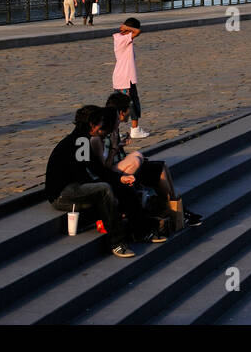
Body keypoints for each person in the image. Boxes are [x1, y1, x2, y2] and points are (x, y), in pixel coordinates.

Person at [44, 105, 135, 258]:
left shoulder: (81, 139)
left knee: (109, 188)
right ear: (92, 124)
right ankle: (117, 242)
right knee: (104, 189)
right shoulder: (80, 141)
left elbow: (96, 168)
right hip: (61, 195)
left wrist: (119, 179)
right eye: (100, 122)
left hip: (71, 188)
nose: (102, 126)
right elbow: (83, 175)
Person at [102, 96, 202, 228]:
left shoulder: (115, 128)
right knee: (139, 159)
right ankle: (178, 213)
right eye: (128, 110)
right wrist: (116, 147)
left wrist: (120, 146)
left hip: (122, 167)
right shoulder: (106, 132)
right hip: (116, 174)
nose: (130, 113)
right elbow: (104, 164)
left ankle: (179, 210)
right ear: (121, 113)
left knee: (162, 167)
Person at [112, 17, 148, 138]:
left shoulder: (118, 37)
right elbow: (138, 32)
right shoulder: (123, 38)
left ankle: (115, 131)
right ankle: (135, 129)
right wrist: (128, 28)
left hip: (119, 77)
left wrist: (126, 28)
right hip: (126, 77)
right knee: (131, 104)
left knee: (118, 106)